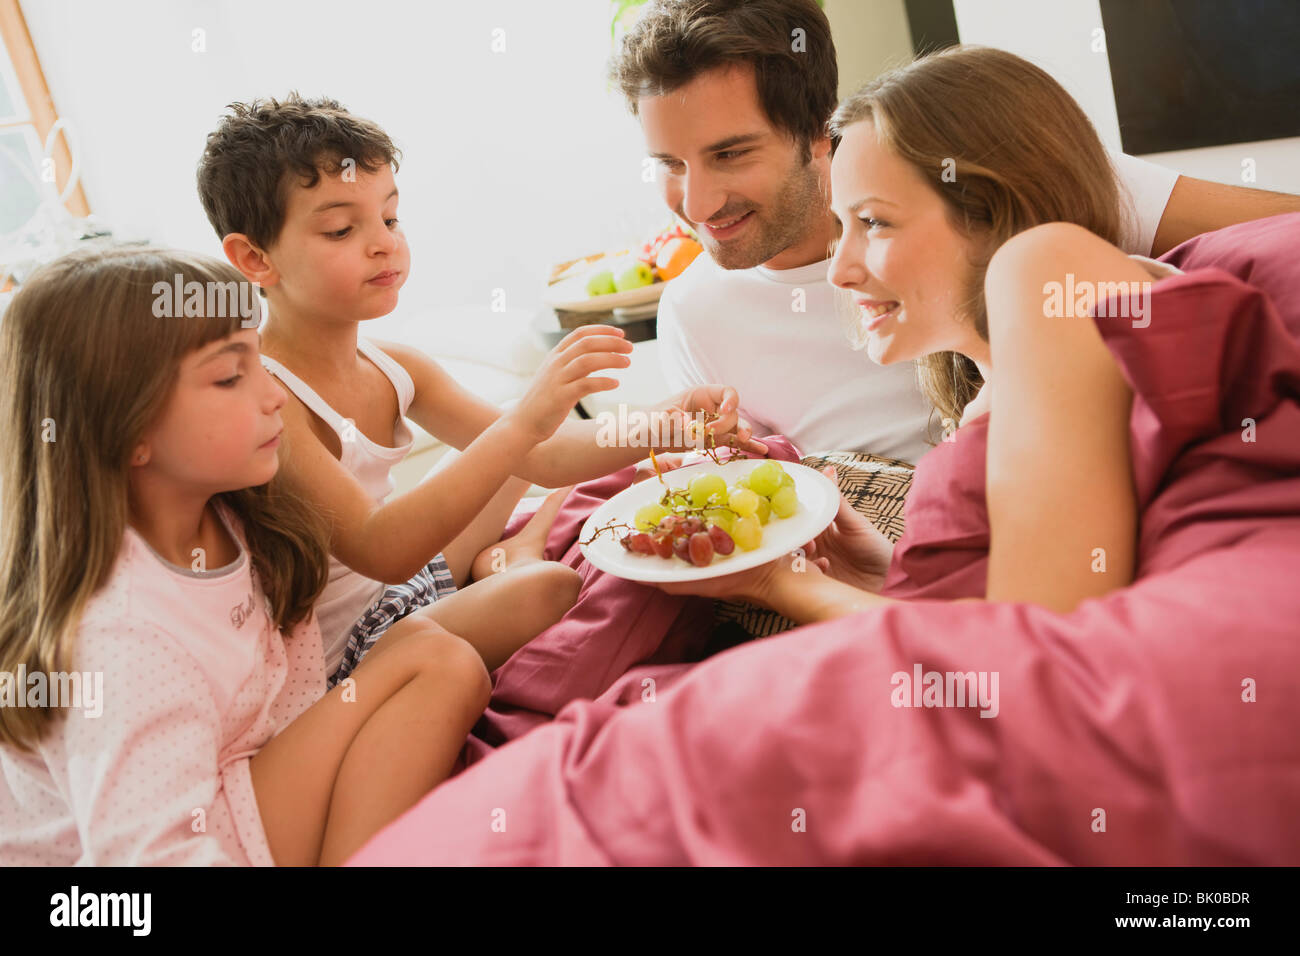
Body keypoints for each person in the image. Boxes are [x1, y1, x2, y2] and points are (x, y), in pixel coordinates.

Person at [657, 44, 1258, 618]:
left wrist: (785, 587)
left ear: (988, 213)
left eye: (874, 221)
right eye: (842, 226)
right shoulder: (987, 397)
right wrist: (884, 582)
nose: (838, 271)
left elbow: (1037, 653)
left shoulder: (1054, 275)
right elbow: (1001, 623)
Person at [196, 94, 765, 687]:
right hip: (357, 649)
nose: (384, 243)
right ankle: (513, 559)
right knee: (547, 584)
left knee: (512, 439)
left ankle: (507, 554)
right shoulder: (267, 399)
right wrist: (523, 424)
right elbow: (381, 548)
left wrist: (670, 422)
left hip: (410, 586)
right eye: (341, 229)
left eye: (390, 218)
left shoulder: (396, 366)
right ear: (254, 259)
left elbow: (543, 457)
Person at [609, 0, 1300, 464]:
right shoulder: (696, 315)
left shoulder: (997, 177)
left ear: (818, 134)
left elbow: (1278, 232)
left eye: (731, 154)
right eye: (669, 163)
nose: (695, 203)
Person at [0, 248, 503, 865]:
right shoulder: (120, 635)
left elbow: (290, 692)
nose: (276, 397)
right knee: (438, 661)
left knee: (438, 657)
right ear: (127, 430)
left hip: (243, 777)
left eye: (259, 363)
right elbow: (147, 859)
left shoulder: (236, 518)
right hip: (181, 846)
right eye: (229, 378)